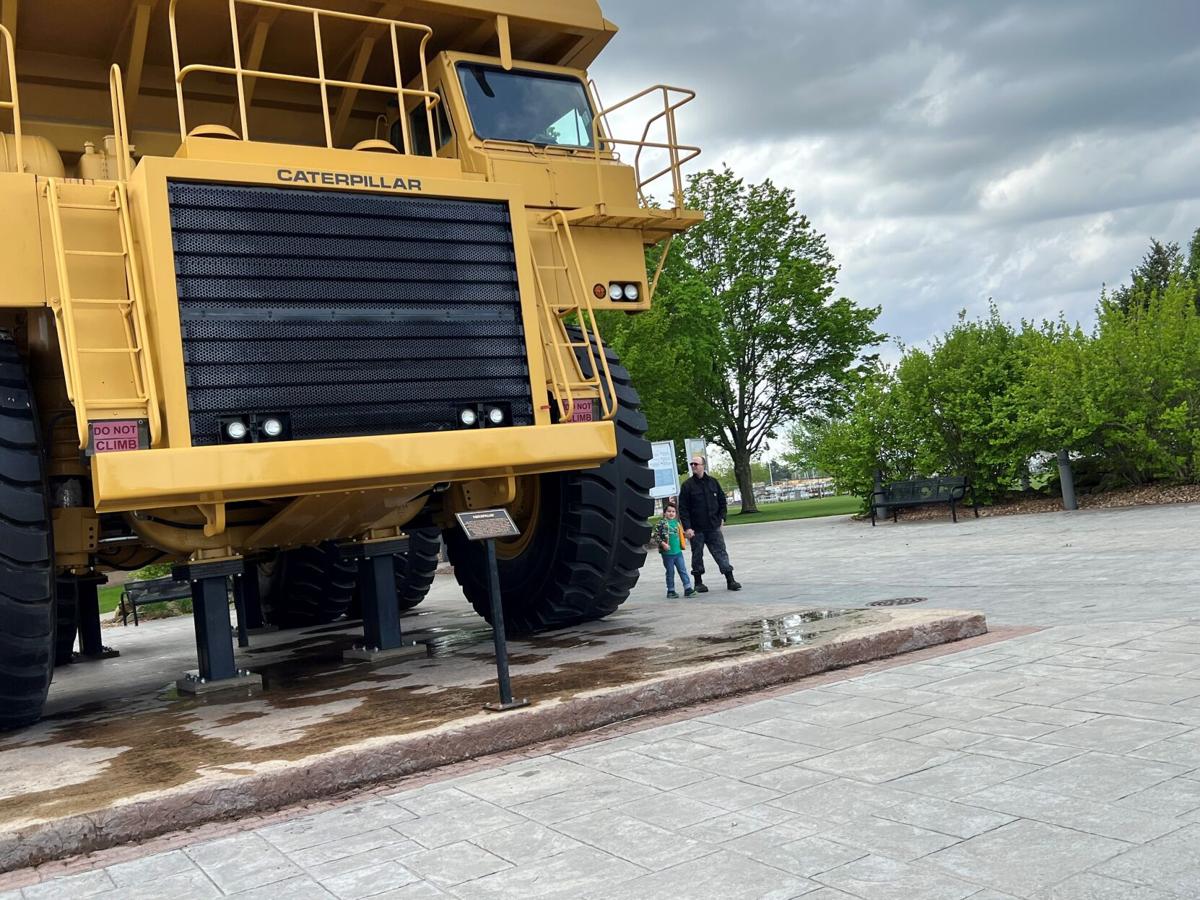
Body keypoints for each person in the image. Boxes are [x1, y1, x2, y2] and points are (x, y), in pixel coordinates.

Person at [678, 455, 741, 592]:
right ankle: (698, 582)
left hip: (713, 526)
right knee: (697, 555)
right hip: (696, 529)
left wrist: (722, 518)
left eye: (696, 464)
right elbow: (683, 509)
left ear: (703, 466)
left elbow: (722, 501)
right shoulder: (687, 486)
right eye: (692, 464)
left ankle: (730, 580)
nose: (693, 466)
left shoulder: (713, 482)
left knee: (721, 552)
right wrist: (687, 527)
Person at [653, 503, 696, 598]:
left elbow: (681, 534)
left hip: (678, 553)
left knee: (682, 570)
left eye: (673, 512)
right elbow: (655, 535)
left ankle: (688, 588)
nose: (671, 513)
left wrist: (687, 535)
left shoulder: (677, 523)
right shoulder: (661, 523)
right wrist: (663, 544)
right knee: (670, 572)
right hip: (667, 554)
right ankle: (671, 590)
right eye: (669, 511)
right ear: (664, 513)